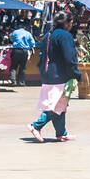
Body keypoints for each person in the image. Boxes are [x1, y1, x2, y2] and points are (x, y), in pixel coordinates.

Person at [30, 11, 80, 142]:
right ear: (66, 23)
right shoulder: (65, 36)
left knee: (60, 104)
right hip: (60, 76)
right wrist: (76, 73)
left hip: (48, 75)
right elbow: (69, 58)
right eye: (70, 22)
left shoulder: (48, 35)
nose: (71, 25)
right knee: (57, 105)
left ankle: (61, 132)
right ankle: (36, 126)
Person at [8, 21, 36, 87]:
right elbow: (33, 43)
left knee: (13, 66)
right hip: (24, 51)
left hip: (16, 50)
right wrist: (28, 46)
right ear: (24, 27)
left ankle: (13, 81)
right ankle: (21, 82)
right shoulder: (28, 33)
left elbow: (11, 39)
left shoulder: (15, 32)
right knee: (22, 67)